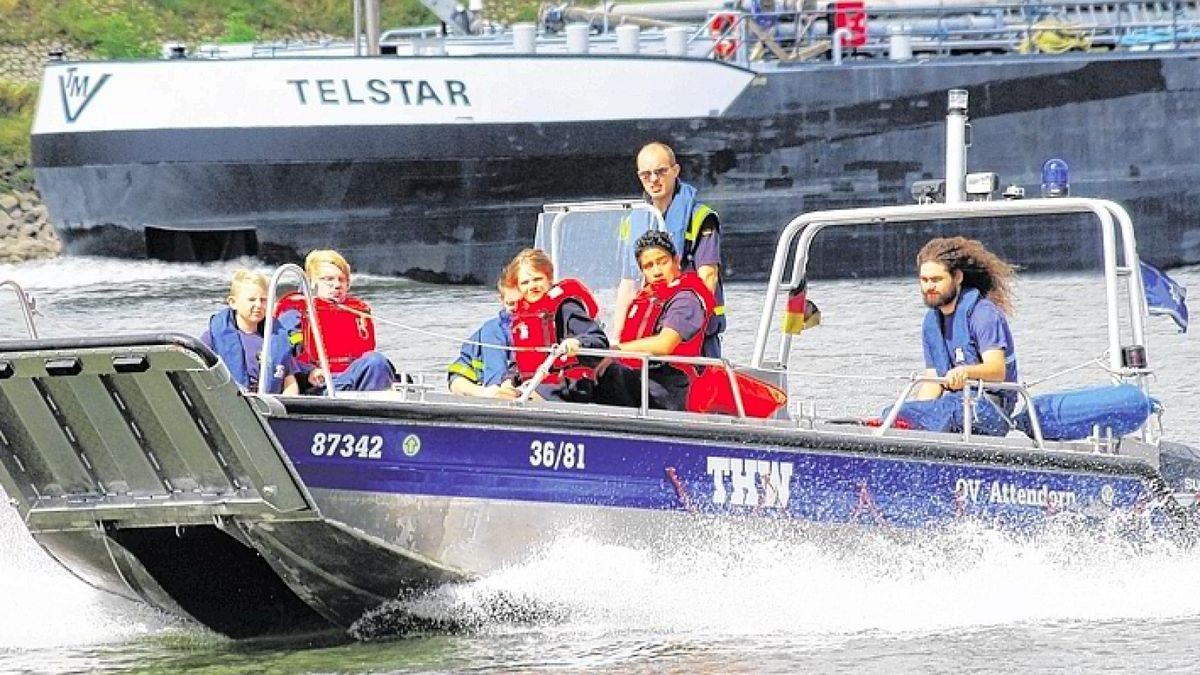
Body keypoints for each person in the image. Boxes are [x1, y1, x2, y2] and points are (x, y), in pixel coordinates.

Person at [895, 236, 1019, 435]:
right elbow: (933, 381)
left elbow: (997, 370)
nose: (929, 287)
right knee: (897, 413)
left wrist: (966, 373)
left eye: (936, 280)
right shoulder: (931, 323)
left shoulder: (982, 314)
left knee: (950, 411)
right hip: (953, 403)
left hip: (988, 407)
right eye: (924, 280)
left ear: (957, 277)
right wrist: (913, 418)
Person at [615, 141, 726, 358]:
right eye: (646, 175)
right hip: (649, 324)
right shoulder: (632, 221)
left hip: (689, 325)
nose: (654, 180)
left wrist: (686, 325)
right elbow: (628, 282)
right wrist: (618, 338)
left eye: (661, 172)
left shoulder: (701, 218)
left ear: (675, 171)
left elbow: (708, 277)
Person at [597, 231, 715, 411]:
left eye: (662, 262)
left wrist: (615, 350)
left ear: (676, 261)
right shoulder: (645, 298)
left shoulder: (686, 299)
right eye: (649, 266)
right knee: (584, 375)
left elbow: (665, 344)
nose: (657, 271)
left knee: (610, 377)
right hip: (640, 377)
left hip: (669, 385)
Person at [274, 249, 394, 392]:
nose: (337, 285)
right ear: (312, 282)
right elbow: (281, 355)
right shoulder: (295, 311)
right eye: (329, 279)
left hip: (355, 376)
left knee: (377, 362)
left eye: (342, 279)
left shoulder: (359, 311)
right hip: (318, 384)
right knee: (375, 362)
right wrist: (309, 371)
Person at [503, 248, 609, 402]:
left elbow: (599, 339)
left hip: (569, 383)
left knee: (525, 399)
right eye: (525, 282)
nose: (532, 286)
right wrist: (508, 382)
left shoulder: (566, 307)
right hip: (534, 383)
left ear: (549, 278)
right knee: (502, 396)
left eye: (538, 279)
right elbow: (516, 362)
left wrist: (577, 343)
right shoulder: (521, 318)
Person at [201, 269, 300, 395]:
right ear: (233, 302)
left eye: (263, 300)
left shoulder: (276, 337)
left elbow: (290, 382)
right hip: (231, 403)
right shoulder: (213, 338)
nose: (258, 305)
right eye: (251, 300)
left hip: (269, 405)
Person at [448, 274, 522, 398]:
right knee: (493, 391)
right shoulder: (494, 330)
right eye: (511, 303)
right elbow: (495, 374)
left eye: (521, 303)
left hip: (504, 376)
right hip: (465, 378)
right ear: (502, 300)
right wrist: (500, 390)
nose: (516, 308)